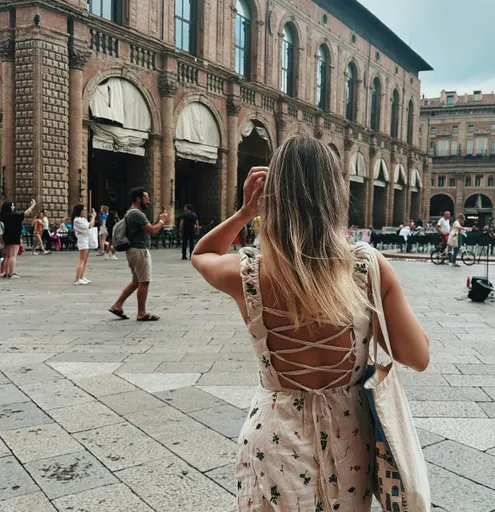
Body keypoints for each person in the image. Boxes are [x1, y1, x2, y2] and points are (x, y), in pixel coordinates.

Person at [192, 135, 430, 511]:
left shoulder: (248, 272)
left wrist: (243, 212)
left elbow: (202, 253)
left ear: (274, 196)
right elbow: (417, 357)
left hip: (273, 435)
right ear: (336, 193)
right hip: (350, 437)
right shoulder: (369, 267)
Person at [109, 187, 167, 321]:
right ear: (138, 199)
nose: (149, 201)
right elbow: (152, 231)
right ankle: (141, 313)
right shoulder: (137, 214)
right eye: (146, 198)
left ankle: (117, 305)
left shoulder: (131, 212)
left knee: (136, 281)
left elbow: (146, 229)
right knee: (144, 281)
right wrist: (162, 221)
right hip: (139, 250)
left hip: (134, 250)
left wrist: (158, 221)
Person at [0, 199, 36, 279]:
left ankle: (6, 273)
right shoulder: (14, 216)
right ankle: (11, 273)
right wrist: (33, 205)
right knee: (12, 256)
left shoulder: (2, 216)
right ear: (9, 207)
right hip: (14, 237)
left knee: (7, 256)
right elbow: (26, 213)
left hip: (6, 237)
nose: (14, 207)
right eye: (12, 205)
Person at [72, 204, 96, 285]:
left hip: (86, 239)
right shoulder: (77, 220)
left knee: (84, 261)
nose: (85, 212)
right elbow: (90, 226)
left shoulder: (83, 219)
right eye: (84, 210)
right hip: (82, 241)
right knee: (82, 260)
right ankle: (77, 278)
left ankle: (81, 276)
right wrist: (93, 217)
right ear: (80, 211)